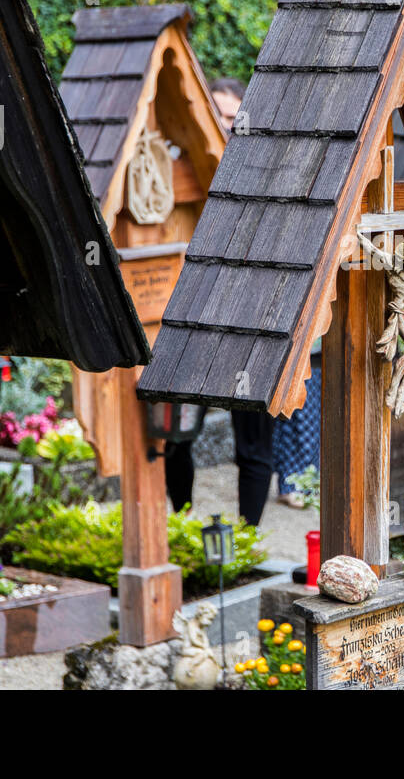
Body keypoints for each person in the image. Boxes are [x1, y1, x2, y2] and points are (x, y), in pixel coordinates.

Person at [165, 76, 276, 525]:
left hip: (249, 324)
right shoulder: (175, 172)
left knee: (254, 443)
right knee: (176, 434)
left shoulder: (264, 175)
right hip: (187, 325)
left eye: (233, 118)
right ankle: (183, 525)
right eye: (217, 116)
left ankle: (249, 538)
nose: (225, 127)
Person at [270, 344, 321, 508]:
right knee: (298, 419)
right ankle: (291, 486)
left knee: (316, 419)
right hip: (298, 352)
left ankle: (309, 485)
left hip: (319, 353)